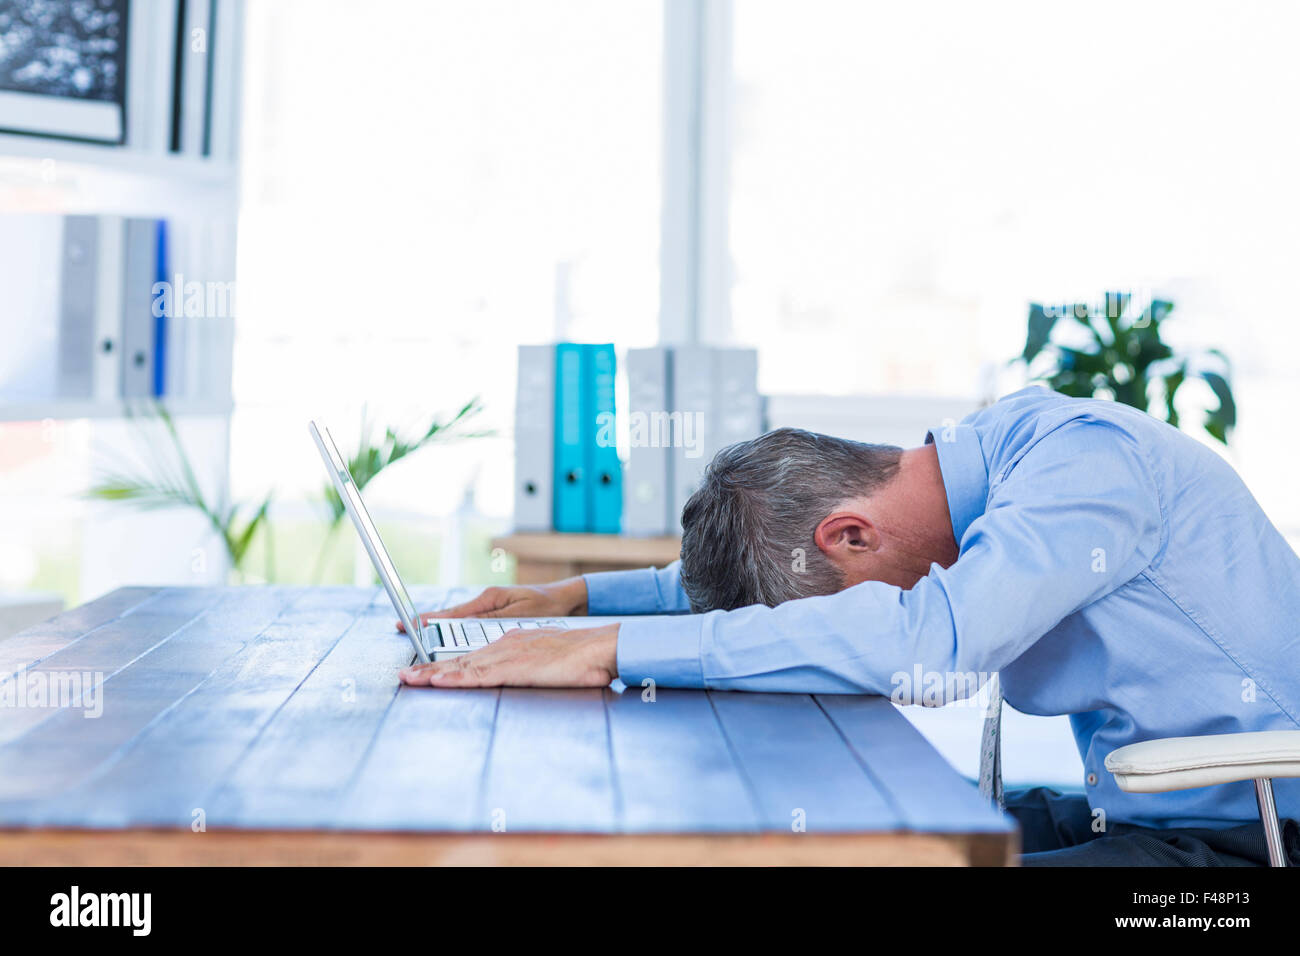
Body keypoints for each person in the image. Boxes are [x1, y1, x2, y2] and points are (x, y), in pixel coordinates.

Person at [398, 386, 1300, 865]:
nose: (839, 627)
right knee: (851, 838)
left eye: (837, 609)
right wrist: (580, 600)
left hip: (1247, 843)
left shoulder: (1086, 472)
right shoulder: (992, 467)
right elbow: (787, 594)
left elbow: (928, 645)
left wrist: (611, 653)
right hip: (1134, 815)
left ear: (851, 534)